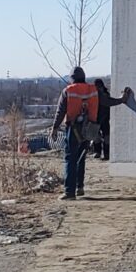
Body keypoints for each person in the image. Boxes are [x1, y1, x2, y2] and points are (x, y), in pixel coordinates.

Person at [50, 67, 100, 199]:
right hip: (89, 128)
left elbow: (61, 111)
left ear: (71, 78)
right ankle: (80, 187)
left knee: (70, 159)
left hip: (73, 128)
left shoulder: (68, 91)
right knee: (81, 157)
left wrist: (54, 128)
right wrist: (122, 99)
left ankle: (69, 192)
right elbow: (105, 102)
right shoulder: (93, 90)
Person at [94, 78, 115, 161]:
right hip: (96, 119)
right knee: (96, 137)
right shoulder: (94, 95)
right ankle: (97, 152)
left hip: (105, 119)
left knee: (106, 137)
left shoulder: (106, 95)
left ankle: (106, 154)